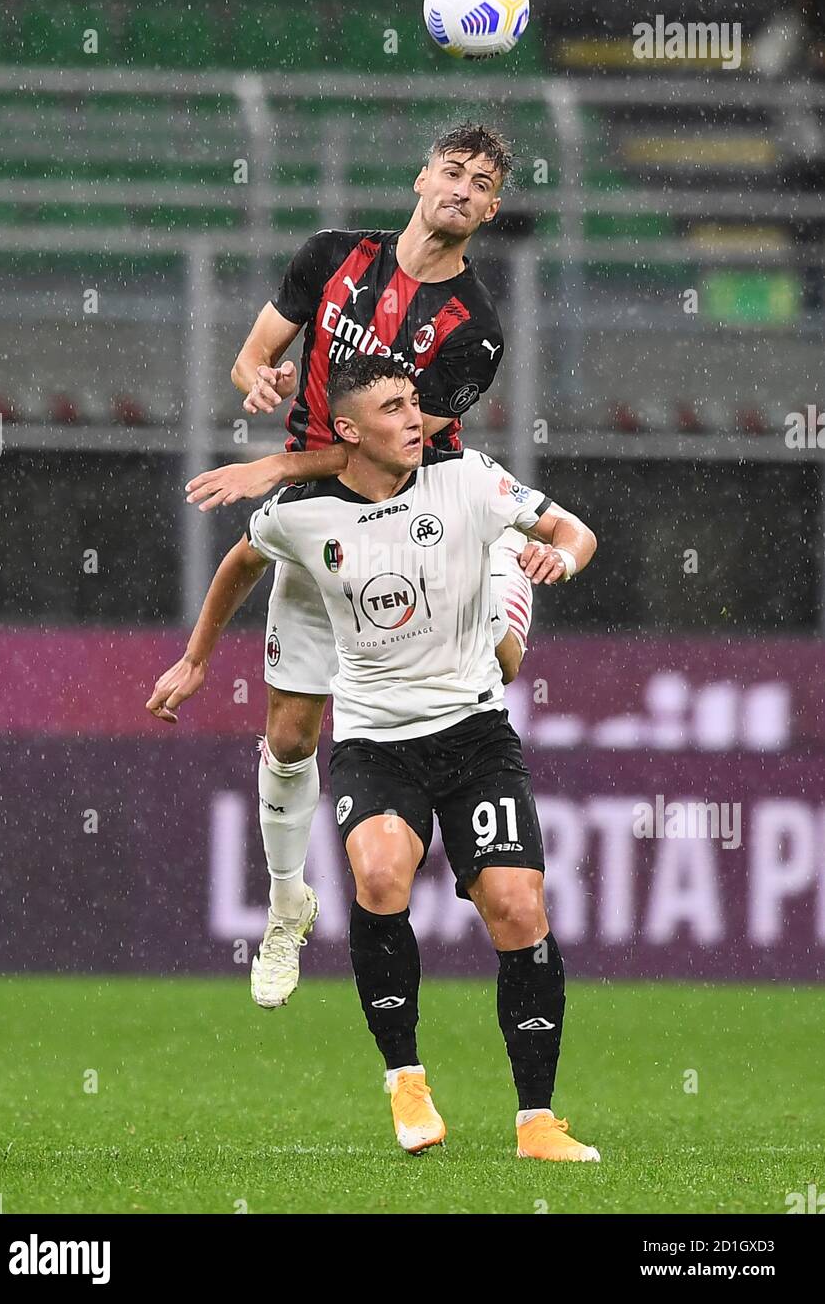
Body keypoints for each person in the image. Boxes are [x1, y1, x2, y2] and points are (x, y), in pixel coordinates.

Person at [147, 354, 599, 1161]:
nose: (415, 418)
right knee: (382, 872)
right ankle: (406, 1080)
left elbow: (575, 531)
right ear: (349, 431)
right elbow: (241, 561)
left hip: (474, 732)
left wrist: (560, 557)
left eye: (415, 402)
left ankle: (538, 1121)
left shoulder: (468, 478)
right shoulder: (303, 514)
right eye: (394, 408)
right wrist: (196, 659)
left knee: (517, 906)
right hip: (376, 740)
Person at [183, 123, 534, 1009]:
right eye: (451, 171)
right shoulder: (329, 257)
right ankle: (286, 905)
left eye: (480, 182)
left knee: (490, 671)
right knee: (290, 737)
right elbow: (253, 353)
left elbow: (392, 453)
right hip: (318, 526)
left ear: (491, 210)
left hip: (414, 524)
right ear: (421, 178)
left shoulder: (475, 332)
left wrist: (275, 468)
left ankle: (505, 590)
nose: (461, 188)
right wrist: (255, 377)